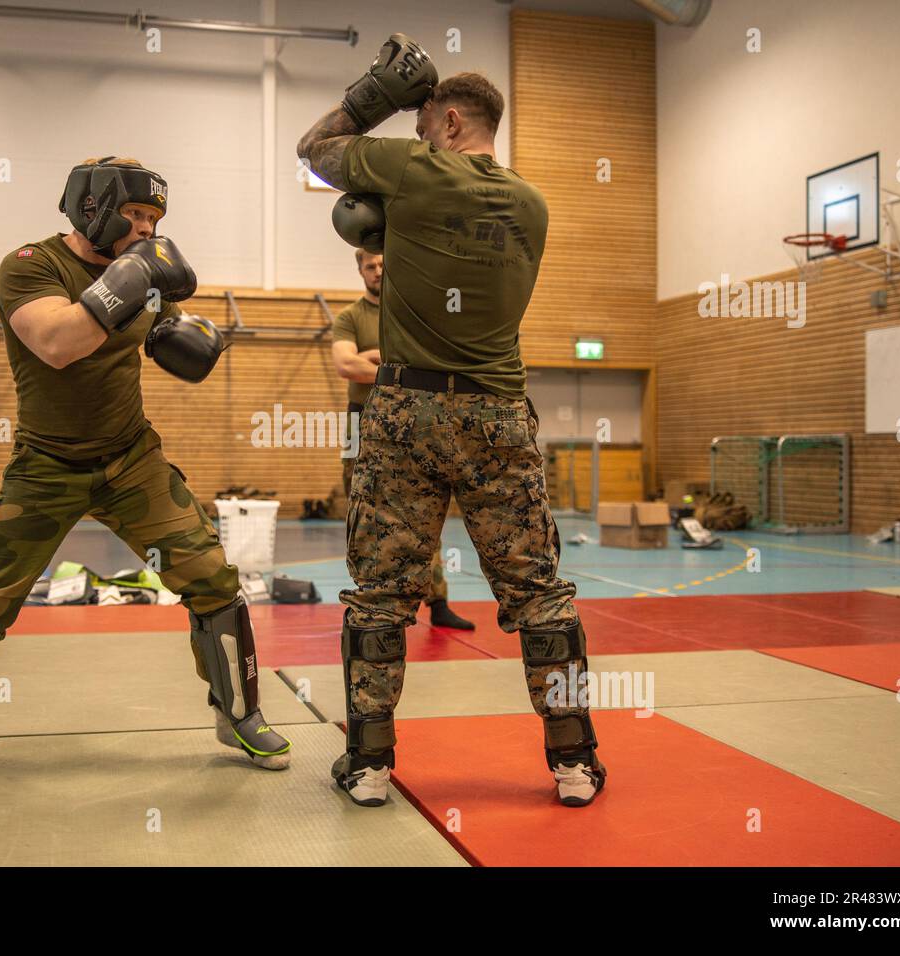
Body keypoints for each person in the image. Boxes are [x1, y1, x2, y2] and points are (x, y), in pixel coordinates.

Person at [0, 156, 291, 787]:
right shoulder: (31, 266)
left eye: (155, 220)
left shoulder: (143, 275)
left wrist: (186, 333)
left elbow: (167, 338)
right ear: (94, 208)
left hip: (131, 459)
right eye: (135, 216)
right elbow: (57, 342)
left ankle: (240, 713)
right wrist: (136, 278)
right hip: (46, 464)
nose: (146, 232)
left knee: (212, 577)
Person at [298, 37, 607, 808]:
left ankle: (369, 766)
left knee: (378, 594)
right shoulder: (533, 205)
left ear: (452, 118)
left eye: (426, 119)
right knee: (540, 593)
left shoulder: (415, 169)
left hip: (405, 411)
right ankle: (574, 762)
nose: (419, 131)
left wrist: (376, 94)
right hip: (498, 413)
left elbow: (316, 148)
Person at [331, 248, 473, 630]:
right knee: (364, 515)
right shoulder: (349, 317)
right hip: (360, 423)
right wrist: (398, 370)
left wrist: (376, 360)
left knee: (427, 510)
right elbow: (346, 365)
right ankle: (372, 604)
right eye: (369, 265)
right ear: (360, 270)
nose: (377, 270)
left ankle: (438, 603)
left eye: (382, 263)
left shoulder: (411, 314)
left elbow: (432, 364)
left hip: (412, 419)